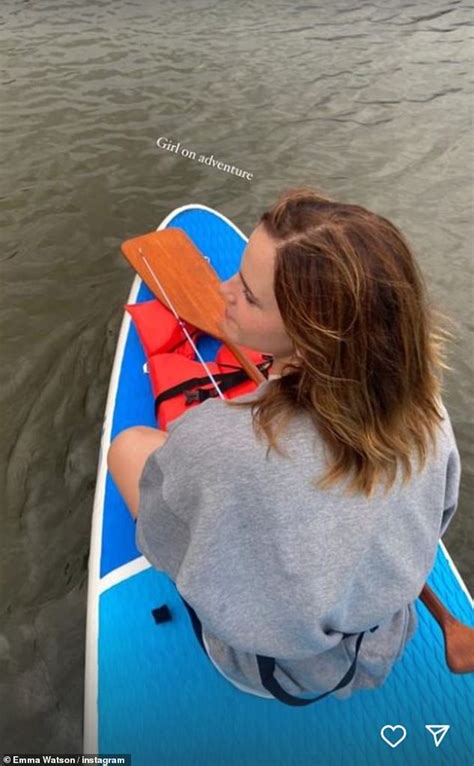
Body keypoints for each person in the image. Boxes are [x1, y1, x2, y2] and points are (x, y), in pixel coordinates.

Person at [108, 186, 461, 703]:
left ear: (313, 337)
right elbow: (440, 515)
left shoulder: (215, 441)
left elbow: (167, 542)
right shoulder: (428, 410)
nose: (223, 290)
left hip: (270, 669)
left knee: (131, 446)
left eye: (248, 295)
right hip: (382, 635)